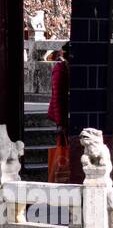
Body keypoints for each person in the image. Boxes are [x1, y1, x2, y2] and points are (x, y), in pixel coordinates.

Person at [46, 46, 70, 184]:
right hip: (61, 116)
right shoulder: (60, 69)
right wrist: (61, 122)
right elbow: (57, 97)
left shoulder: (65, 68)